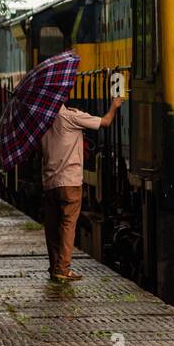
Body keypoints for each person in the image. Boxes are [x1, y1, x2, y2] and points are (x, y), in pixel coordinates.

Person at [41, 93, 123, 282]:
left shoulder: (43, 123)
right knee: (68, 225)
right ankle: (63, 268)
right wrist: (115, 105)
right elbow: (105, 122)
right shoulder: (70, 117)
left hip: (50, 182)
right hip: (69, 181)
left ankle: (54, 267)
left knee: (52, 227)